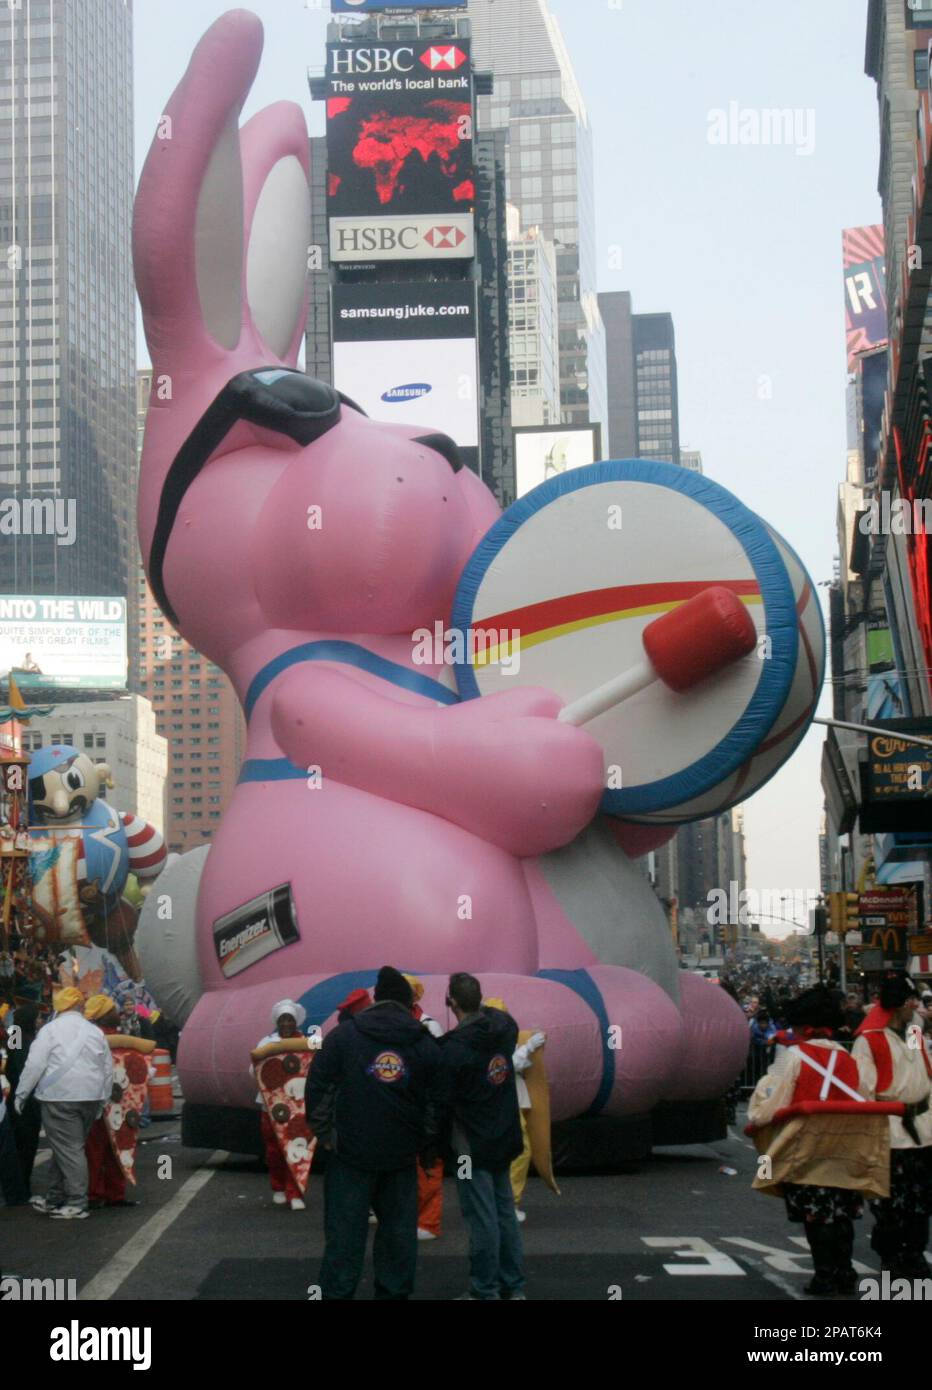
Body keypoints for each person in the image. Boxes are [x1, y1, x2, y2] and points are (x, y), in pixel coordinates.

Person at [305, 966, 442, 1300]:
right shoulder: (423, 1043)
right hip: (400, 1158)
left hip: (349, 1155)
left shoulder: (343, 1036)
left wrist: (326, 1135)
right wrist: (424, 1147)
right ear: (409, 1004)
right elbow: (436, 1104)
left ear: (377, 999)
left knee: (344, 1240)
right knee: (398, 1240)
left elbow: (316, 1087)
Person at [746, 985, 893, 1297]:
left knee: (816, 1216)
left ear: (804, 1026)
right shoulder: (846, 1056)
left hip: (808, 1148)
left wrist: (757, 1114)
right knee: (842, 1212)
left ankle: (824, 1274)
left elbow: (777, 1103)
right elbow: (864, 1094)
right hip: (845, 1148)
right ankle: (844, 1270)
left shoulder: (796, 1056)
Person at [440, 972, 525, 1301]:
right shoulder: (505, 1029)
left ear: (452, 1002)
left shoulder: (455, 1048)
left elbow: (443, 1099)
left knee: (480, 1217)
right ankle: (513, 1286)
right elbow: (499, 1016)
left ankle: (484, 1288)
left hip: (467, 1149)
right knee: (504, 1213)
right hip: (502, 1137)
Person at [853, 970, 932, 1278]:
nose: (916, 1005)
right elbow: (864, 1090)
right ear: (898, 1003)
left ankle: (914, 1254)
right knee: (889, 1203)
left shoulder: (913, 1033)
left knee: (921, 1202)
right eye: (911, 999)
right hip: (891, 1132)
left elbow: (923, 1073)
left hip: (924, 1132)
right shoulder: (869, 1041)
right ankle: (891, 1255)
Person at [14, 986, 113, 1219]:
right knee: (67, 1148)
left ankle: (77, 1202)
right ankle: (54, 1197)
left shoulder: (47, 1031)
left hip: (59, 1096)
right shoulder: (94, 1031)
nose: (40, 1018)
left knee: (69, 1149)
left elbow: (33, 1065)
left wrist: (21, 1094)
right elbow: (106, 1067)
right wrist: (104, 1098)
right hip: (91, 1096)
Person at [252, 999, 308, 1212]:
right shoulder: (266, 1043)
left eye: (290, 1020)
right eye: (282, 1019)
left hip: (296, 1105)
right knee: (274, 1150)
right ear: (277, 1021)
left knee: (296, 1147)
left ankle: (295, 1191)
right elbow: (253, 1070)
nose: (286, 1024)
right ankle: (278, 1187)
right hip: (271, 1105)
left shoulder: (306, 1041)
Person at [83, 994, 136, 1209]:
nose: (117, 1012)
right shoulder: (96, 1038)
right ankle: (107, 1193)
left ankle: (104, 1193)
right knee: (109, 1148)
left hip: (108, 1099)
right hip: (105, 1100)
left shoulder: (101, 1036)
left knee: (105, 1148)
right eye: (112, 1010)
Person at [403, 974, 444, 1242]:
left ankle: (429, 1221)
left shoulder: (430, 1026)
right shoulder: (388, 1025)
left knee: (428, 1163)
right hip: (398, 1105)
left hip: (425, 1105)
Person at [5, 1003, 41, 1198]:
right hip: (22, 1098)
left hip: (24, 1096)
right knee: (25, 1144)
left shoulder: (20, 1034)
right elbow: (19, 1065)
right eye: (36, 1017)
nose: (39, 1021)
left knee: (26, 1144)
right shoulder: (17, 1034)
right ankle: (21, 1188)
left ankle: (22, 1185)